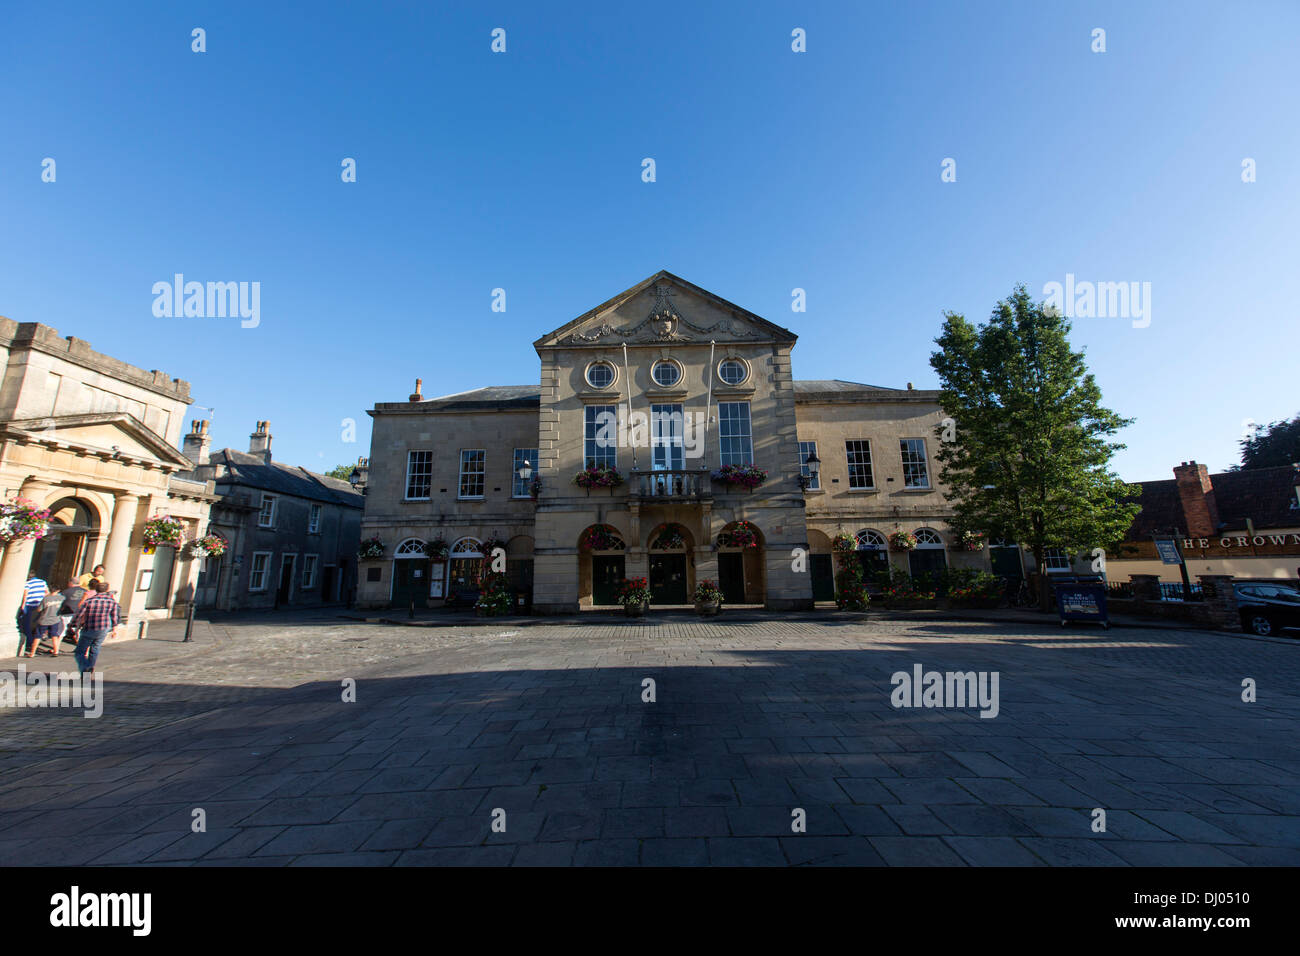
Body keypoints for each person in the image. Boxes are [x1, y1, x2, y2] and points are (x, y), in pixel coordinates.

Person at [71, 579, 120, 675]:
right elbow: (114, 616)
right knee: (95, 648)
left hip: (89, 627)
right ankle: (90, 669)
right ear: (106, 590)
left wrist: (73, 625)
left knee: (80, 652)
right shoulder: (111, 601)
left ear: (96, 590)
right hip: (103, 628)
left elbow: (79, 614)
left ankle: (86, 667)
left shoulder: (89, 601)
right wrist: (114, 629)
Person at [25, 586, 66, 658]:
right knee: (54, 635)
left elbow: (39, 609)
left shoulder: (46, 599)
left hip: (44, 619)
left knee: (38, 636)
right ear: (58, 590)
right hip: (55, 619)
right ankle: (56, 651)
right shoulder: (62, 598)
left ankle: (32, 653)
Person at [57, 576, 88, 658]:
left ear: (70, 583)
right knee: (78, 632)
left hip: (66, 614)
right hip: (79, 614)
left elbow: (59, 602)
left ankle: (56, 648)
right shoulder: (85, 591)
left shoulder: (66, 592)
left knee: (61, 631)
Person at [17, 573, 47, 655]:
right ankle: (36, 638)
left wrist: (23, 605)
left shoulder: (27, 583)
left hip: (29, 604)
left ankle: (29, 641)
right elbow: (46, 592)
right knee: (38, 622)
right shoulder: (42, 582)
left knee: (26, 623)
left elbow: (25, 594)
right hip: (40, 603)